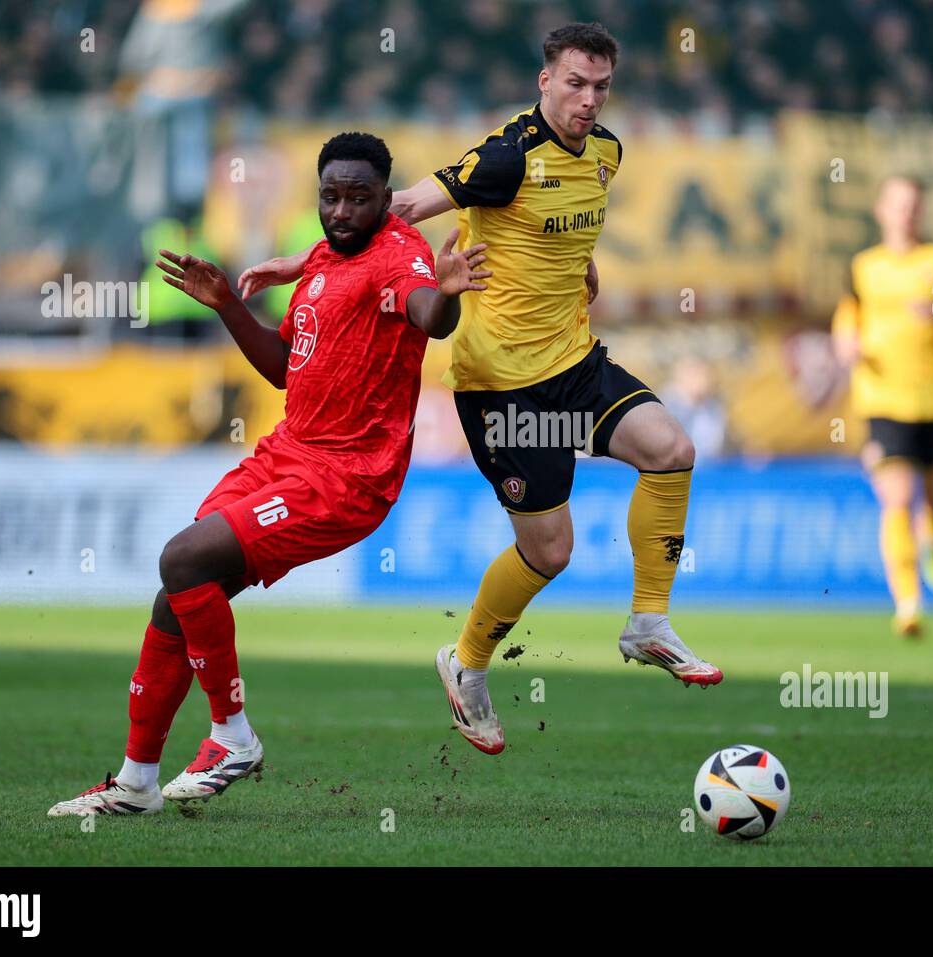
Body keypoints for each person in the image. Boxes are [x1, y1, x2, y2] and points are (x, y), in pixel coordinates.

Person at [239, 23, 721, 758]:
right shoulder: (506, 156)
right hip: (504, 391)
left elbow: (560, 236)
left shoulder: (607, 154)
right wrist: (299, 263)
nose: (588, 100)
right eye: (574, 84)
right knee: (551, 551)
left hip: (576, 364)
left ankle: (647, 622)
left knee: (672, 447)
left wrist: (579, 270)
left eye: (600, 87)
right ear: (544, 81)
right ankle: (465, 664)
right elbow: (391, 207)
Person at [48, 132, 490, 815]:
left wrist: (450, 293)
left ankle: (232, 733)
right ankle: (136, 781)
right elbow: (287, 367)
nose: (341, 211)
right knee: (180, 589)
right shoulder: (319, 258)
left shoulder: (399, 256)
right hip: (288, 452)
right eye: (330, 197)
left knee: (183, 556)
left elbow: (426, 312)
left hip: (347, 478)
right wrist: (228, 305)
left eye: (359, 198)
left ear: (384, 199)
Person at [831, 175, 933, 637]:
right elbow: (848, 316)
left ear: (921, 213)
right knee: (898, 498)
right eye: (898, 205)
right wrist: (846, 342)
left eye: (914, 205)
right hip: (883, 398)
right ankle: (907, 605)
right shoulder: (864, 266)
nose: (906, 213)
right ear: (881, 210)